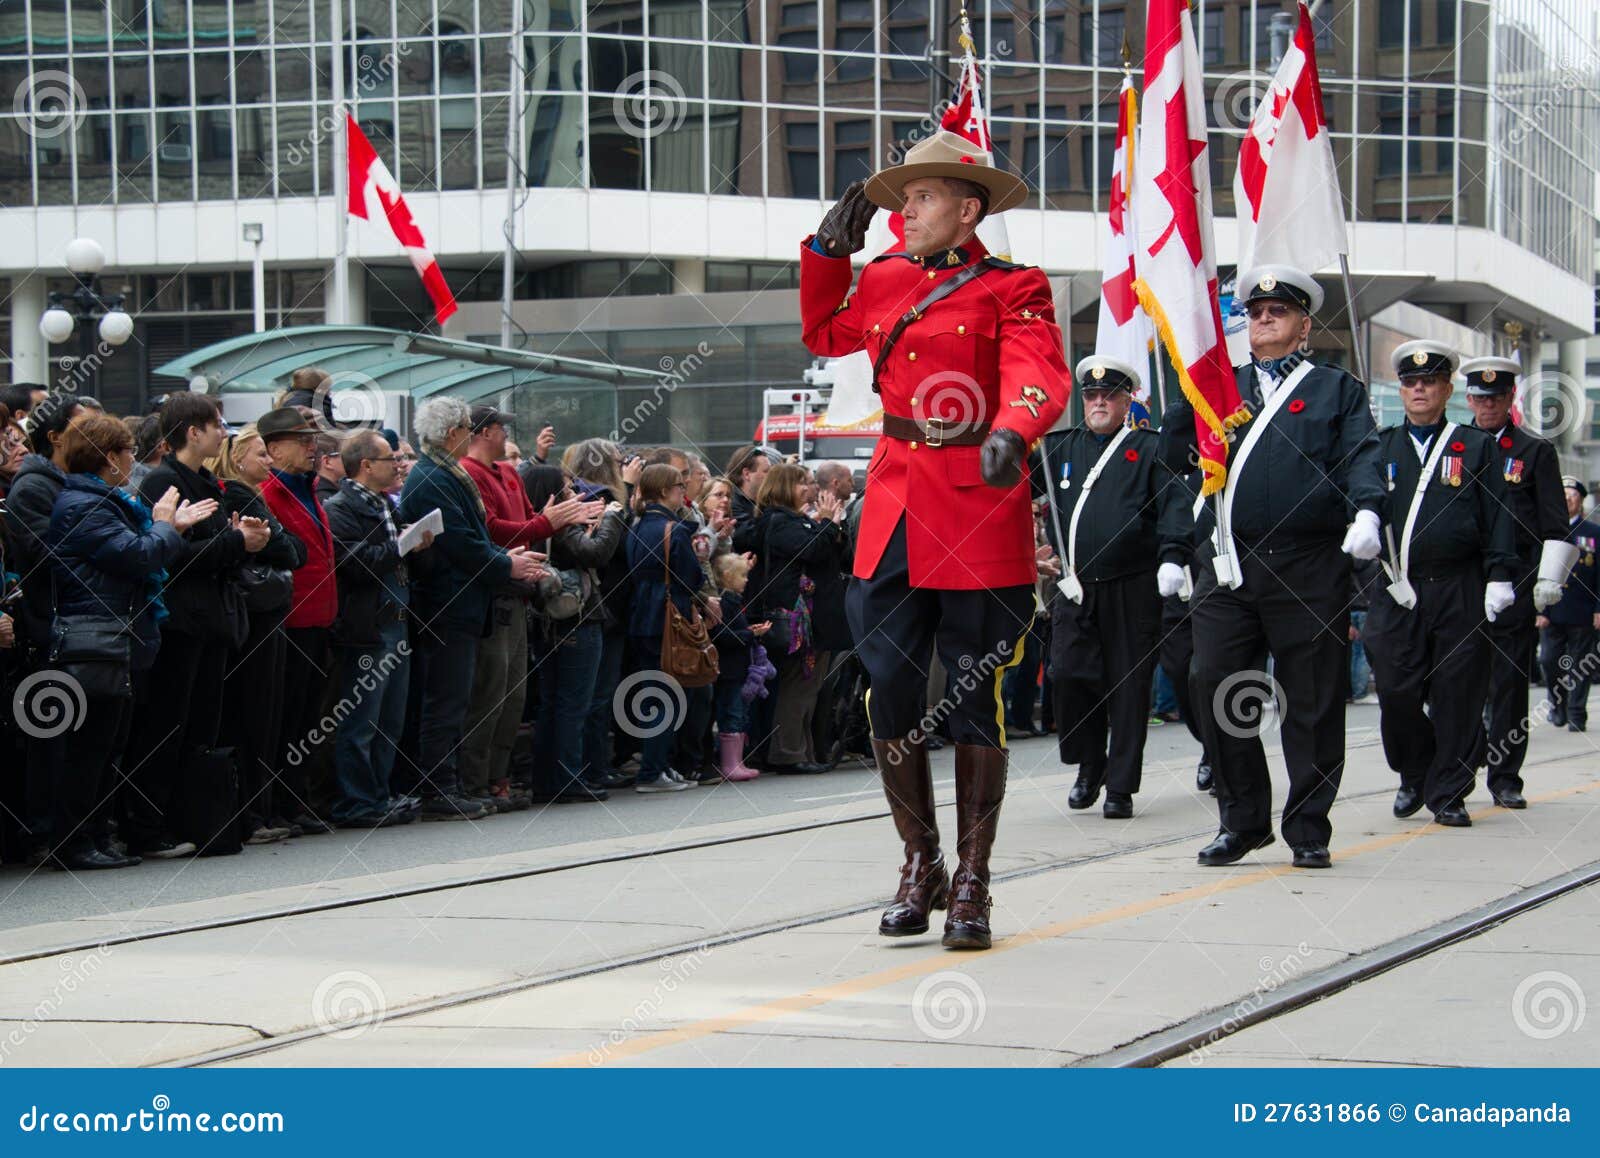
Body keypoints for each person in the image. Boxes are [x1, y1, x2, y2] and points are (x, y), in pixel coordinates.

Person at [802, 130, 1069, 949]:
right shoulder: (881, 278)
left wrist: (1015, 431)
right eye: (901, 198)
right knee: (888, 687)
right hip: (892, 503)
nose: (903, 211)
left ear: (966, 207)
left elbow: (1038, 370)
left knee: (972, 694)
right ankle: (920, 862)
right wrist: (824, 254)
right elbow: (824, 336)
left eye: (920, 198)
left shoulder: (1013, 286)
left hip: (976, 499)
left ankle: (976, 881)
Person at [1166, 266, 1383, 870]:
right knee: (1214, 685)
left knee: (1309, 699)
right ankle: (1242, 821)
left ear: (1303, 325)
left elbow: (1363, 455)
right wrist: (1183, 370)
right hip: (1228, 566)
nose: (1263, 320)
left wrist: (1367, 511)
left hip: (1307, 564)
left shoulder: (1335, 389)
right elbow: (1175, 461)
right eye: (1255, 313)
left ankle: (1308, 825)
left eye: (1277, 312)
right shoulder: (1219, 387)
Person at [43, 414, 215, 869]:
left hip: (114, 634)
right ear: (107, 457)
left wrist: (166, 530)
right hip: (95, 635)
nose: (131, 460)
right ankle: (75, 842)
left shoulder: (100, 500)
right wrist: (164, 526)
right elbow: (139, 555)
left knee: (108, 744)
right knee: (91, 747)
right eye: (125, 452)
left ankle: (96, 836)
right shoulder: (85, 504)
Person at [1362, 340, 1517, 828]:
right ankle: (1415, 769)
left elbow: (1499, 517)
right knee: (1394, 688)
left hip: (1459, 586)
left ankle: (1448, 789)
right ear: (1401, 391)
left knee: (1458, 692)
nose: (1420, 389)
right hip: (1396, 588)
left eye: (1429, 381)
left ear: (1448, 389)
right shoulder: (1379, 447)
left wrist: (1500, 575)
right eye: (1410, 382)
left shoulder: (1475, 447)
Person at [1038, 355, 1187, 820]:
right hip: (1076, 586)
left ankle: (1120, 787)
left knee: (1128, 687)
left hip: (1133, 587)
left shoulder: (1150, 449)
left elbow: (1174, 507)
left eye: (1109, 395)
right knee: (1068, 675)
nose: (1099, 402)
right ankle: (1089, 762)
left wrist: (1173, 556)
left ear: (1128, 401)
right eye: (1091, 395)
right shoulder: (1057, 448)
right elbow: (1008, 493)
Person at [125, 392, 271, 859]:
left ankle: (196, 819)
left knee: (203, 726)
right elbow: (171, 555)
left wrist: (249, 540)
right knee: (168, 726)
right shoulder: (164, 483)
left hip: (213, 621)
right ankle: (148, 827)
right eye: (216, 425)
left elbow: (213, 550)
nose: (223, 433)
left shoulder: (209, 481)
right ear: (193, 431)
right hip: (181, 623)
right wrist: (235, 543)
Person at [398, 397, 547, 819]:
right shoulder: (433, 478)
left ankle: (452, 785)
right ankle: (438, 789)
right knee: (445, 701)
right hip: (447, 604)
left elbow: (469, 538)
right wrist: (508, 563)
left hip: (461, 602)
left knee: (457, 699)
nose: (472, 433)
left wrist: (505, 562)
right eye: (467, 427)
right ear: (452, 434)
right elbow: (463, 543)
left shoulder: (444, 472)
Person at [461, 404, 598, 810]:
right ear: (484, 432)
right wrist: (548, 523)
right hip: (498, 594)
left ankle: (499, 779)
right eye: (501, 429)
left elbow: (526, 523)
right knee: (490, 694)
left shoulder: (506, 473)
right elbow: (493, 530)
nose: (506, 436)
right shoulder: (471, 473)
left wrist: (561, 521)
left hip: (522, 593)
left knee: (513, 696)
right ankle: (475, 783)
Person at [1460, 356, 1573, 810]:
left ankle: (1506, 776)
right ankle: (1460, 766)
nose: (1487, 406)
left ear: (1510, 400)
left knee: (1508, 683)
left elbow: (1554, 523)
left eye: (1496, 398)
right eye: (1480, 398)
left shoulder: (1533, 451)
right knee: (1459, 682)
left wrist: (1549, 581)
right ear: (1468, 399)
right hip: (1463, 583)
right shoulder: (1455, 447)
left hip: (1517, 581)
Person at [324, 430, 429, 827]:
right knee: (361, 721)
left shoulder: (386, 504)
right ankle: (356, 802)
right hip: (369, 628)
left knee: (390, 721)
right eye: (390, 459)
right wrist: (403, 546)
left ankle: (379, 796)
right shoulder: (341, 507)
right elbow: (356, 561)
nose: (399, 465)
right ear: (366, 466)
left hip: (397, 625)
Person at [3, 392, 87, 861]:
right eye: (82, 427)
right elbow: (47, 555)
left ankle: (72, 830)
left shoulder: (74, 482)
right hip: (47, 626)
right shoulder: (35, 486)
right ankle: (44, 834)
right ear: (55, 437)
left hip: (68, 623)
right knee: (49, 734)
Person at [214, 425, 308, 844]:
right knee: (254, 715)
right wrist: (276, 540)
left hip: (268, 616)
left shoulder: (254, 496)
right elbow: (287, 551)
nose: (268, 464)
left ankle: (259, 810)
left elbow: (294, 549)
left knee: (269, 715)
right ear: (237, 459)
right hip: (255, 619)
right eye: (260, 456)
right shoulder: (238, 494)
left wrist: (277, 540)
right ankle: (251, 813)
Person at [256, 406, 341, 835]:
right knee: (285, 717)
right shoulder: (269, 492)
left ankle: (294, 800)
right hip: (291, 620)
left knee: (308, 717)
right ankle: (276, 803)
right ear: (274, 448)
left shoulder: (304, 488)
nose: (313, 447)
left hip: (317, 618)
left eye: (312, 440)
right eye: (302, 441)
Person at [521, 464, 626, 802]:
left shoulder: (536, 524)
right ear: (552, 492)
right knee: (573, 704)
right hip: (576, 619)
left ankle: (547, 779)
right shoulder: (560, 525)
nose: (574, 493)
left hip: (549, 621)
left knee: (553, 702)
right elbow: (595, 554)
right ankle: (567, 778)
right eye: (567, 488)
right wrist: (611, 516)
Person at [746, 463, 845, 773]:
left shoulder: (796, 520)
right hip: (797, 618)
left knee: (809, 686)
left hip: (813, 618)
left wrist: (828, 527)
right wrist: (827, 524)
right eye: (802, 483)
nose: (809, 488)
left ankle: (803, 751)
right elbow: (812, 551)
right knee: (797, 685)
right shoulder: (779, 521)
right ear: (784, 487)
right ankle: (787, 753)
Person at [563, 438, 644, 791]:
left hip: (610, 606)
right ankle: (593, 768)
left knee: (599, 694)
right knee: (596, 695)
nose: (624, 462)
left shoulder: (602, 497)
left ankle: (595, 766)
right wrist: (625, 490)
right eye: (617, 459)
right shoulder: (599, 498)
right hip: (604, 606)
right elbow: (609, 549)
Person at [623, 463, 709, 792]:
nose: (682, 490)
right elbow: (692, 577)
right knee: (669, 696)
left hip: (642, 615)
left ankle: (658, 765)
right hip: (670, 618)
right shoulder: (675, 529)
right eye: (677, 485)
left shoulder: (637, 525)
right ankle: (653, 771)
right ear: (663, 491)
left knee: (654, 693)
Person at [1539, 477, 1600, 731]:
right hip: (1552, 610)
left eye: (1572, 495)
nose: (1567, 499)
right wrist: (1539, 609)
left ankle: (1576, 714)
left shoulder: (1593, 533)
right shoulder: (1547, 529)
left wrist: (1599, 609)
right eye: (1563, 494)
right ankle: (1558, 704)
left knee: (1580, 664)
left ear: (1580, 500)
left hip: (1583, 609)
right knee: (1549, 660)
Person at [710, 553, 767, 781]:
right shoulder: (726, 602)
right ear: (727, 576)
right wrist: (749, 634)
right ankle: (730, 764)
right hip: (729, 669)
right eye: (742, 575)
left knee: (739, 713)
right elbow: (723, 635)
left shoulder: (733, 600)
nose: (746, 580)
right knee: (731, 713)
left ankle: (737, 761)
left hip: (737, 668)